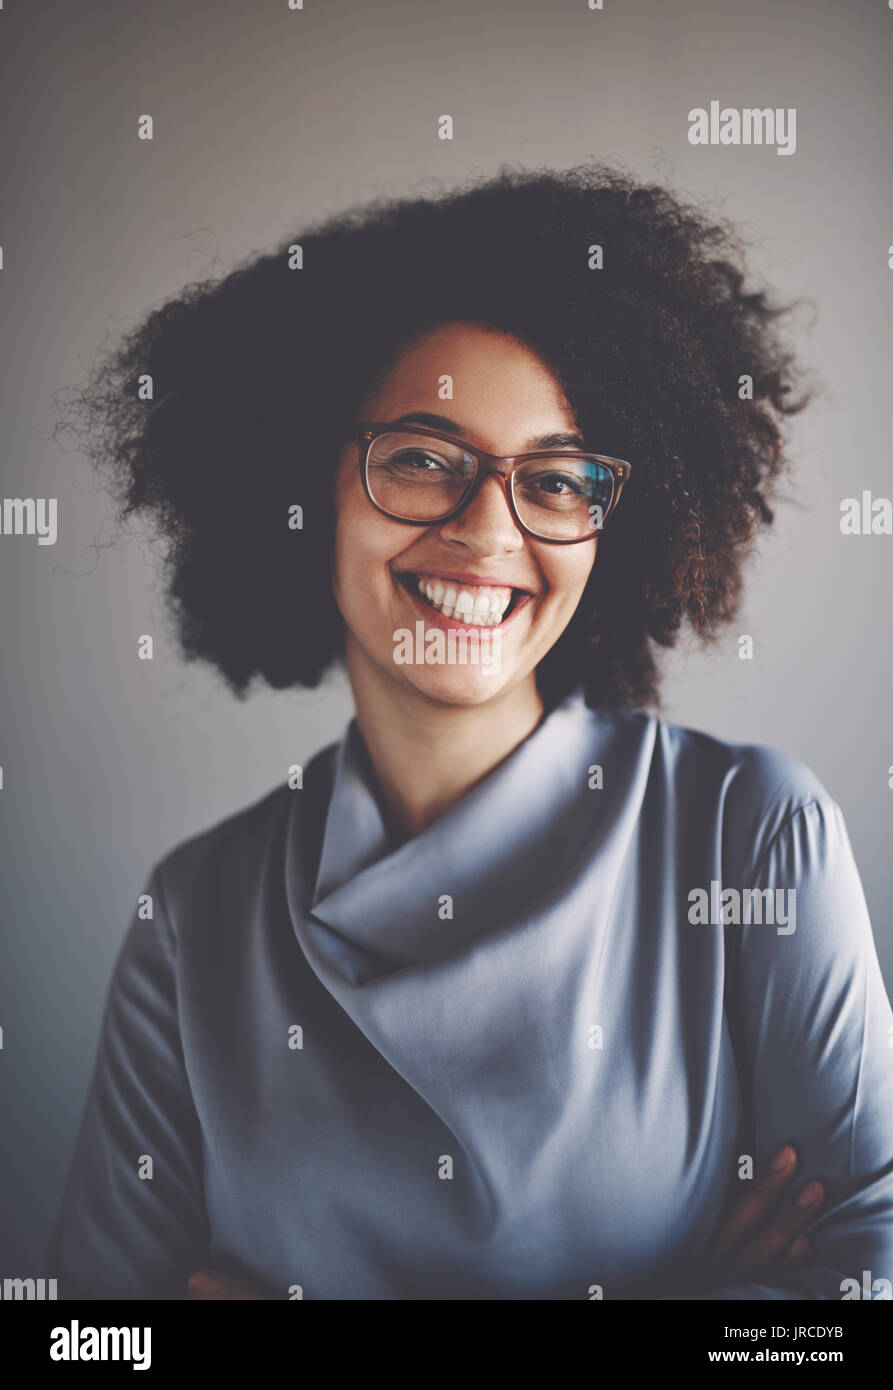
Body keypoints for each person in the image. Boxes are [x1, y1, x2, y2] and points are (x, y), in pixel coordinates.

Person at [48, 162, 893, 1300]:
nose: (486, 531)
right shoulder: (195, 915)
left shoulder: (751, 840)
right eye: (417, 457)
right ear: (309, 484)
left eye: (552, 481)